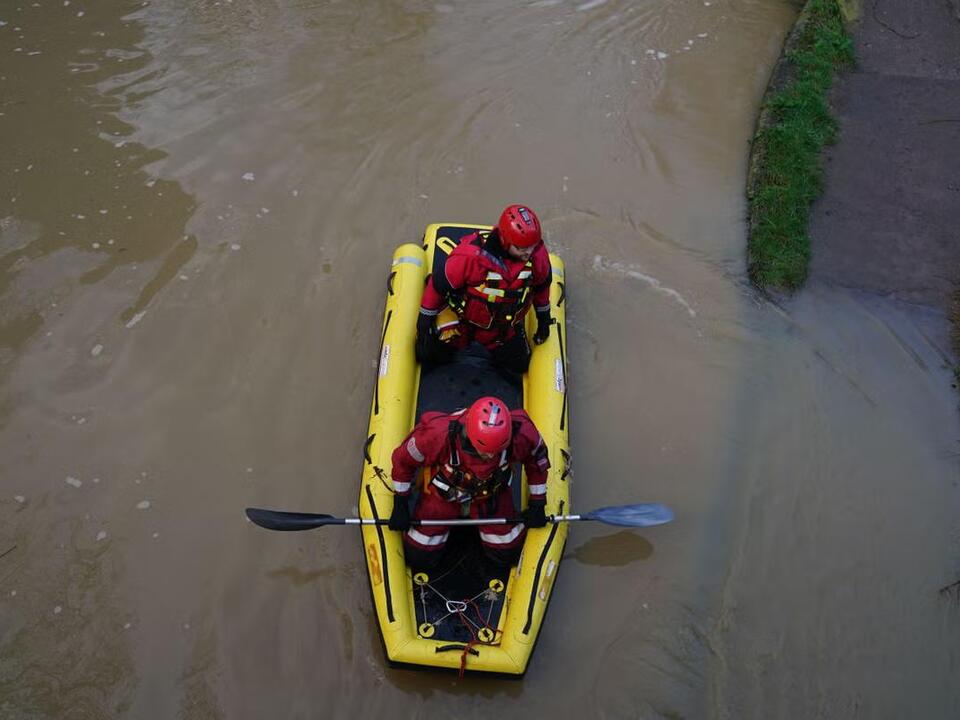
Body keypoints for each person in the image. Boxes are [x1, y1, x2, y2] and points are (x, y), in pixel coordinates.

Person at [387, 396, 550, 570]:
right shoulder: (437, 435)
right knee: (418, 556)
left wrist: (537, 503)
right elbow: (403, 462)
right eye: (485, 452)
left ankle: (510, 527)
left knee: (507, 552)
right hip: (443, 497)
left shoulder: (522, 433)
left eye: (496, 452)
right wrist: (400, 502)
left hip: (490, 497)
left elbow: (537, 462)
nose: (491, 456)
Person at [416, 204, 554, 375]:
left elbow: (542, 290)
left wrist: (544, 321)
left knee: (519, 366)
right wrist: (424, 324)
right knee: (426, 354)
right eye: (521, 248)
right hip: (461, 321)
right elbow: (437, 288)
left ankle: (513, 334)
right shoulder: (470, 257)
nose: (528, 253)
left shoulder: (537, 257)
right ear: (505, 241)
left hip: (502, 330)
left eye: (532, 247)